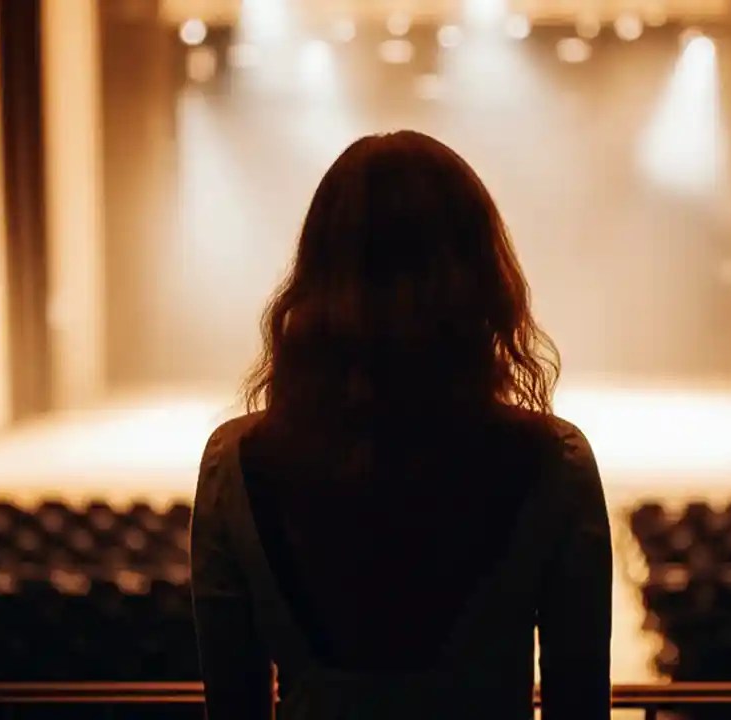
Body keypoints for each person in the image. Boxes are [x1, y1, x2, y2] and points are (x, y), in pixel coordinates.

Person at [192, 130, 612, 719]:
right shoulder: (557, 460)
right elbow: (579, 704)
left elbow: (233, 706)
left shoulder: (232, 462)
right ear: (481, 275)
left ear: (317, 274)